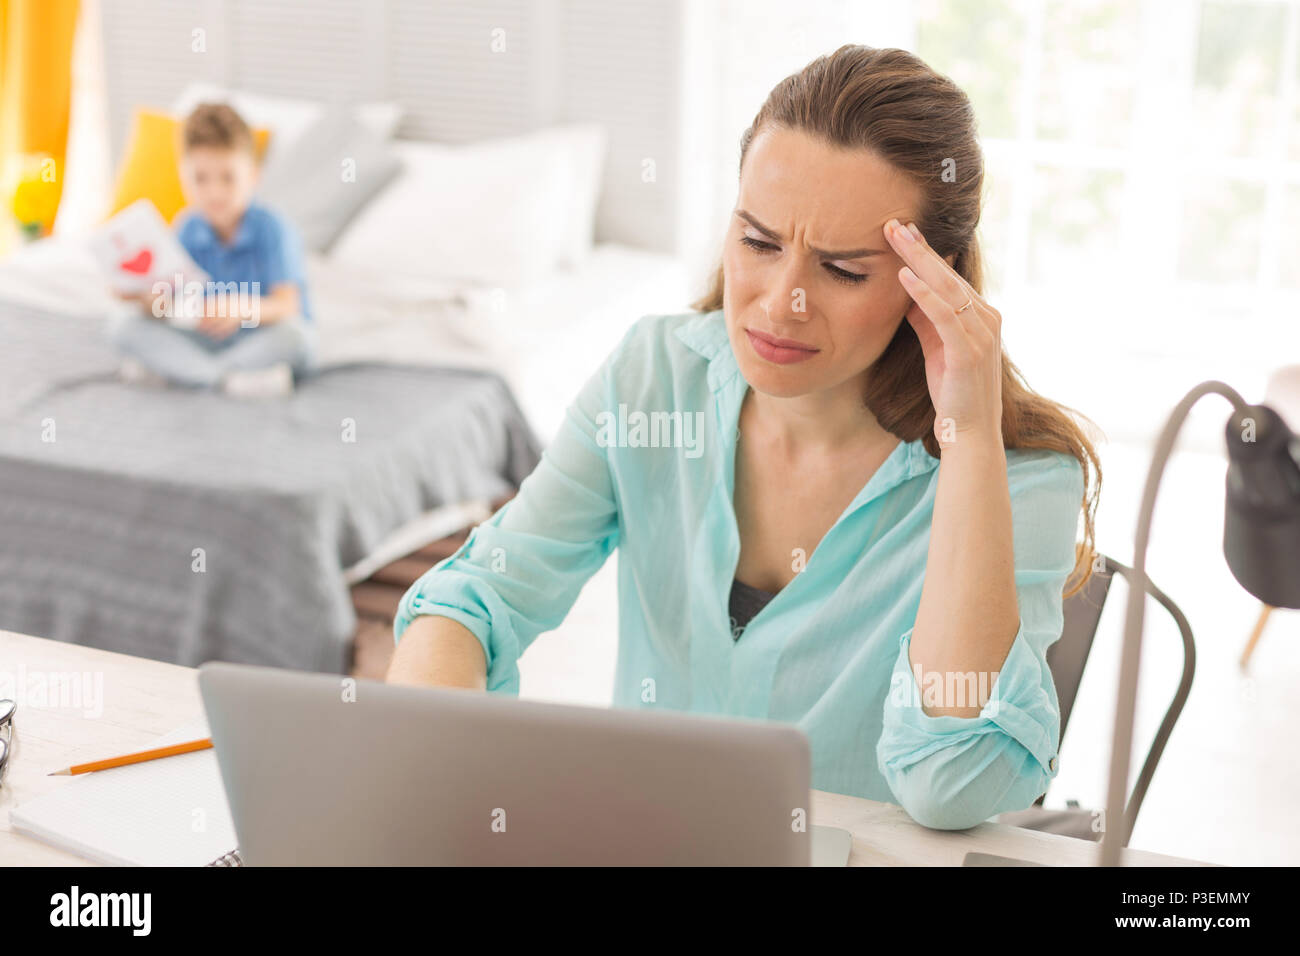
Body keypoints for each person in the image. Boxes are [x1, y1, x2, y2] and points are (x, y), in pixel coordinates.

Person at [386, 45, 1103, 830]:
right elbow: (479, 593)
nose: (780, 303)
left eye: (842, 269)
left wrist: (967, 430)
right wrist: (432, 759)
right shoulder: (655, 377)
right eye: (759, 244)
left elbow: (951, 783)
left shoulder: (1022, 474)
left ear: (935, 284)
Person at [108, 102, 316, 396]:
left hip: (257, 337)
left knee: (297, 338)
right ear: (184, 177)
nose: (214, 192)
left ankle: (186, 373)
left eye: (228, 178)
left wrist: (243, 308)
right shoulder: (187, 228)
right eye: (201, 179)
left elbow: (287, 305)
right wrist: (140, 297)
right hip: (203, 338)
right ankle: (225, 379)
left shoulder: (273, 229)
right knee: (122, 324)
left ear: (253, 176)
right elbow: (171, 306)